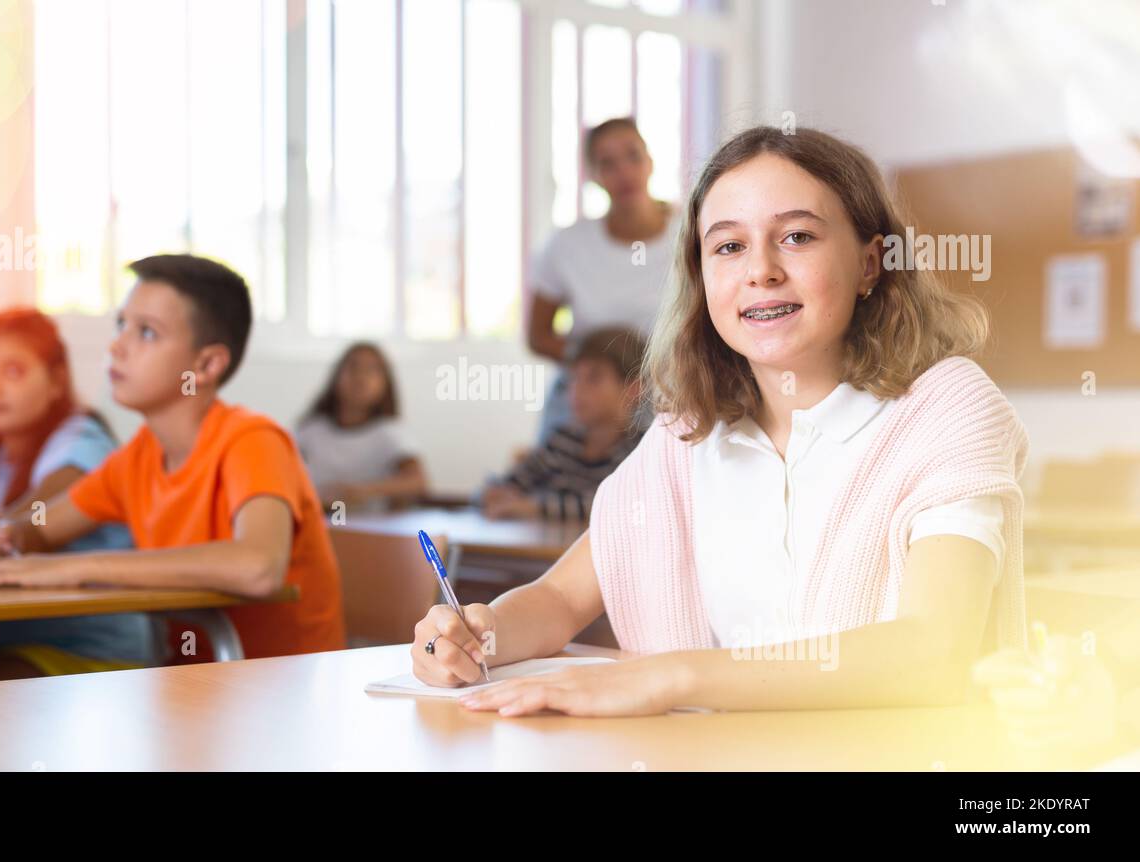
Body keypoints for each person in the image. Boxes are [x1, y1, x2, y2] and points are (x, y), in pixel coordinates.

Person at [410, 126, 1029, 717]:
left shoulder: (947, 407)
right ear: (703, 276)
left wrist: (672, 676)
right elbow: (561, 597)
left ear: (870, 263)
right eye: (728, 246)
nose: (760, 270)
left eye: (798, 237)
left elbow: (932, 653)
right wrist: (479, 633)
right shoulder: (687, 431)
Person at [0, 255, 346, 661]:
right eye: (120, 325)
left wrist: (78, 567)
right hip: (192, 694)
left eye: (146, 332)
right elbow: (41, 526)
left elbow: (258, 567)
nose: (117, 346)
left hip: (279, 698)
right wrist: (5, 537)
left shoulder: (252, 440)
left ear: (206, 364)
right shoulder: (138, 458)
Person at [527, 117, 674, 444]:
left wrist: (649, 374)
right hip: (589, 400)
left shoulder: (693, 233)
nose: (623, 172)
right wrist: (602, 370)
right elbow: (538, 335)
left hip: (670, 391)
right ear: (593, 175)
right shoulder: (568, 245)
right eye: (607, 163)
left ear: (650, 162)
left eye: (632, 156)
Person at [481, 327, 644, 522]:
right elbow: (508, 484)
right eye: (573, 378)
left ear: (634, 388)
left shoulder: (641, 451)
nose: (577, 390)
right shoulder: (561, 442)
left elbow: (611, 506)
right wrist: (495, 493)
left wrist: (533, 508)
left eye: (594, 378)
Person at [297, 342, 427, 514]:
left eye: (372, 370)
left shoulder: (391, 433)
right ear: (336, 377)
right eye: (353, 367)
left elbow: (418, 482)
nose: (361, 377)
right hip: (319, 522)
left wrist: (360, 492)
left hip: (370, 527)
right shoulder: (311, 431)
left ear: (385, 383)